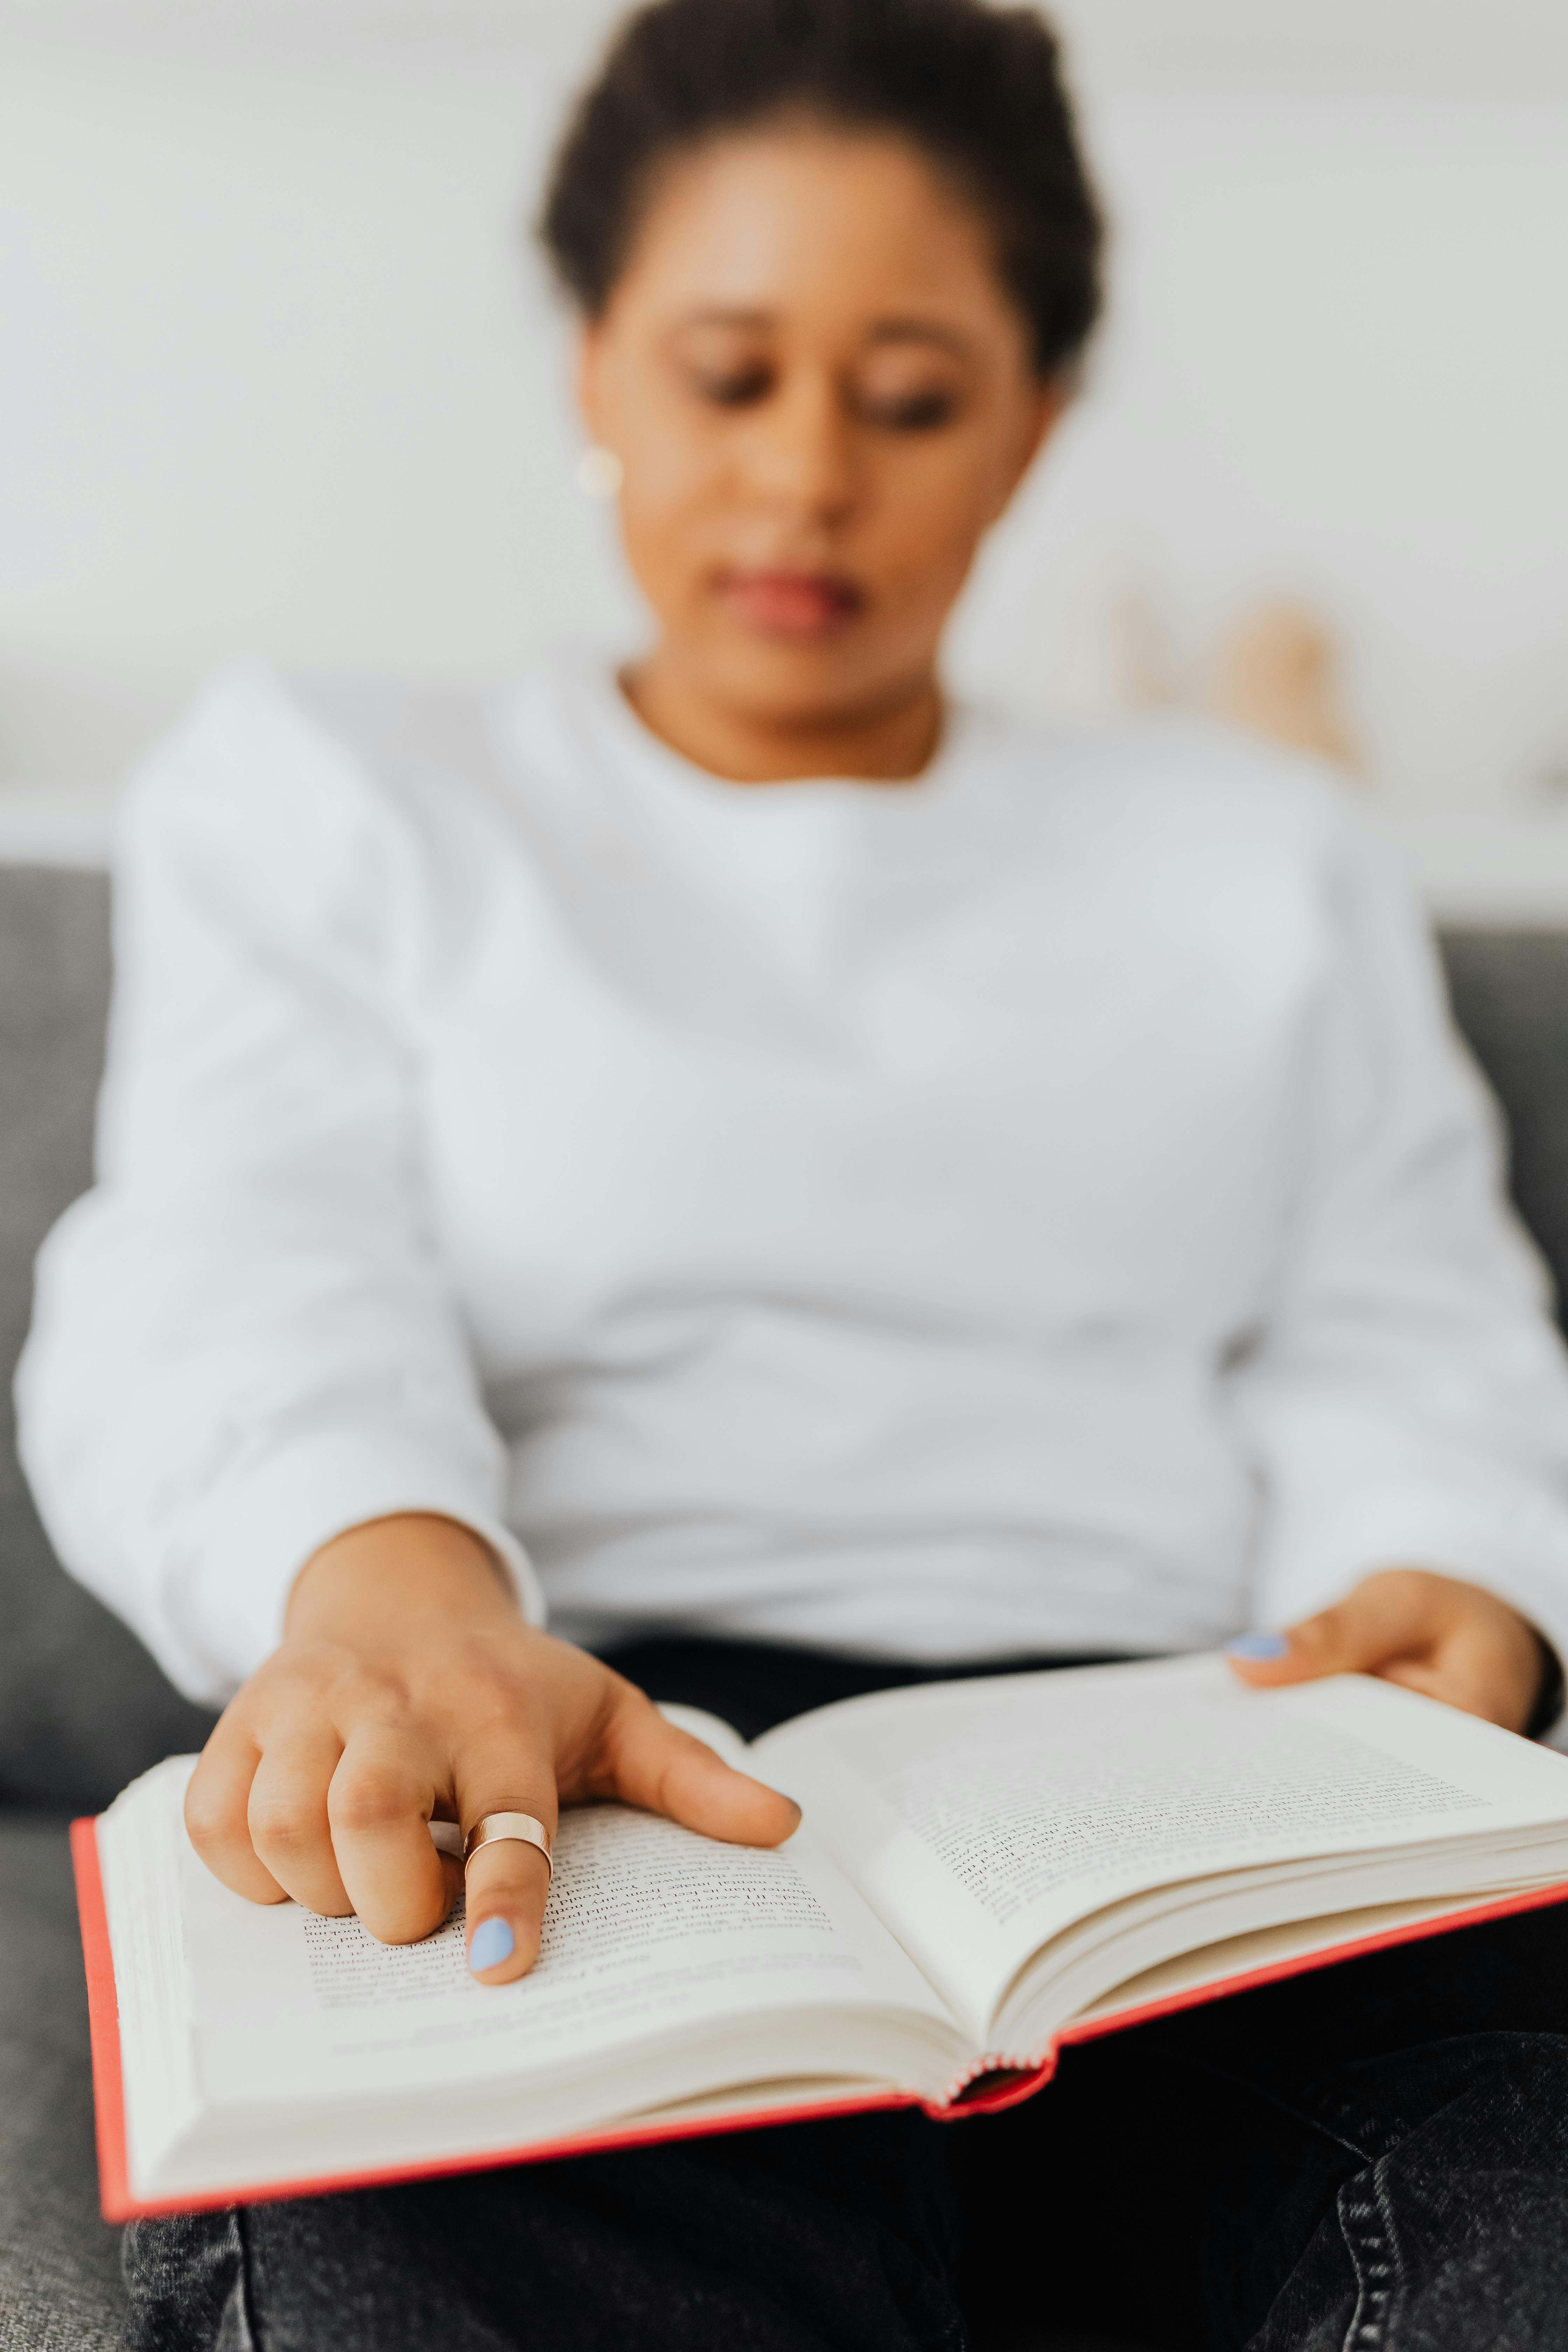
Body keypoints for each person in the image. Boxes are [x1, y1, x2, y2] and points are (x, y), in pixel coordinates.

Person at [20, 0, 1568, 2343]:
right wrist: (384, 1586)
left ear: (1037, 418)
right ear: (594, 370)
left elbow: (1402, 1310)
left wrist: (1450, 1577)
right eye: (728, 374)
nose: (808, 479)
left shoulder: (1257, 851)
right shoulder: (340, 791)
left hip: (1181, 1791)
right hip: (587, 1749)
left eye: (914, 395)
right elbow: (240, 1245)